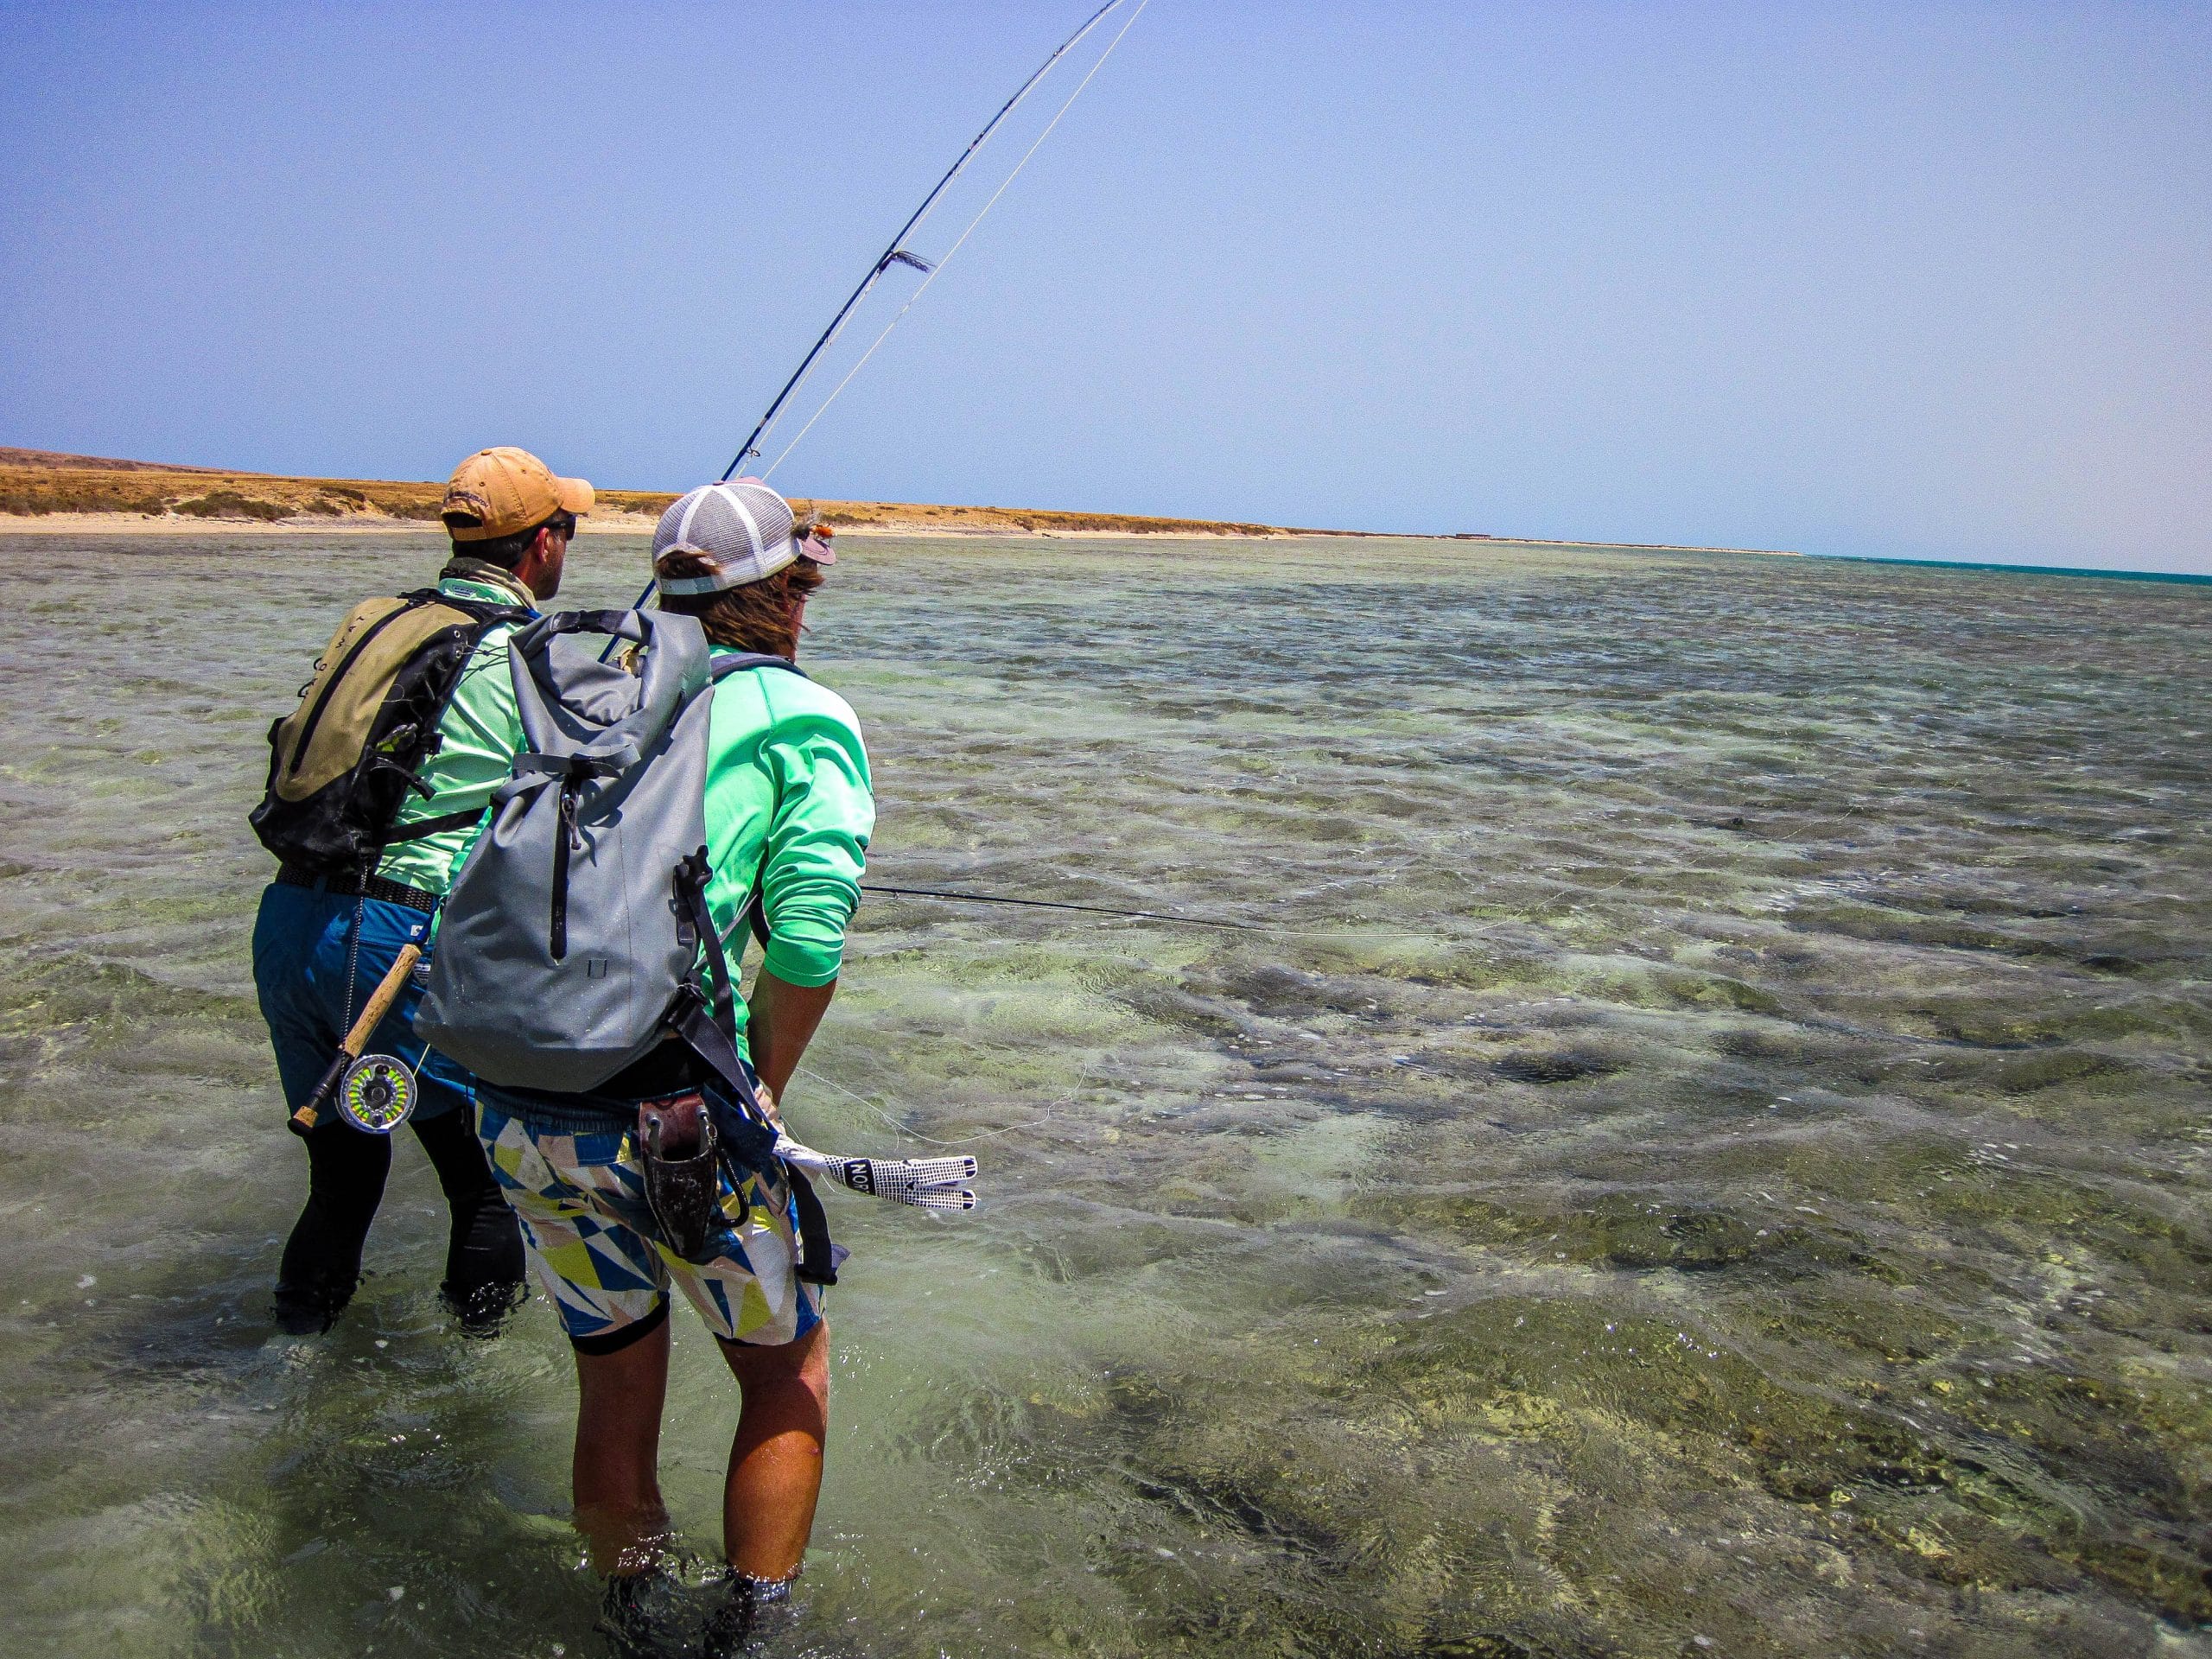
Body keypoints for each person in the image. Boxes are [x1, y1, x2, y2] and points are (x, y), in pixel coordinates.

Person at [467, 479, 870, 1650]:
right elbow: (805, 942)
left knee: (615, 1378)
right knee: (785, 1371)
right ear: (793, 592)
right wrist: (768, 1093)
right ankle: (752, 1634)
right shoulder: (802, 714)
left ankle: (630, 1619)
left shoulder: (584, 685)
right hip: (678, 1120)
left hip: (518, 1101)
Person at [251, 446, 591, 1333]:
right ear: (543, 544)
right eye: (569, 529)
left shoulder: (380, 618)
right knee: (480, 1182)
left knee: (344, 1175)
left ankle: (292, 1357)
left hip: (289, 920)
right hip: (395, 945)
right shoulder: (527, 652)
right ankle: (474, 1390)